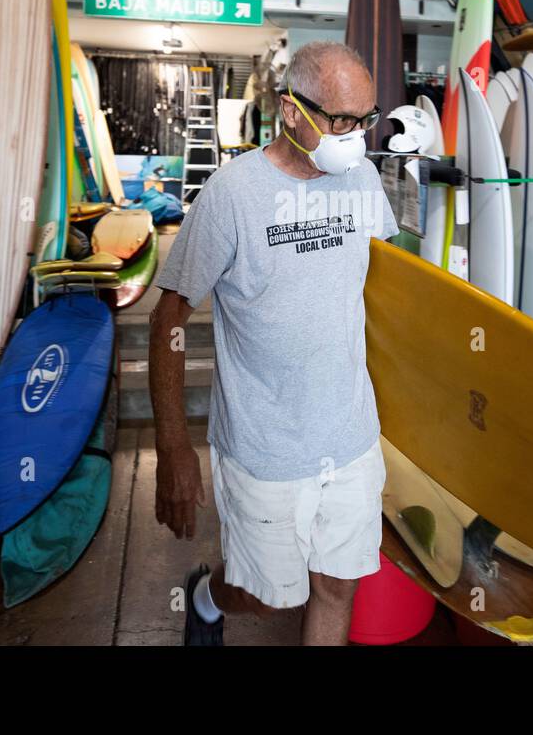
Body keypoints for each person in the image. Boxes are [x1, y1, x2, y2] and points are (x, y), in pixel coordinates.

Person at [150, 41, 399, 646]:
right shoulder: (232, 195)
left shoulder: (362, 178)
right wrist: (174, 449)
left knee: (338, 588)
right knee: (262, 599)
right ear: (291, 111)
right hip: (265, 446)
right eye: (340, 120)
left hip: (350, 435)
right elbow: (168, 321)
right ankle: (209, 596)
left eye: (364, 119)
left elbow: (387, 286)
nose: (355, 136)